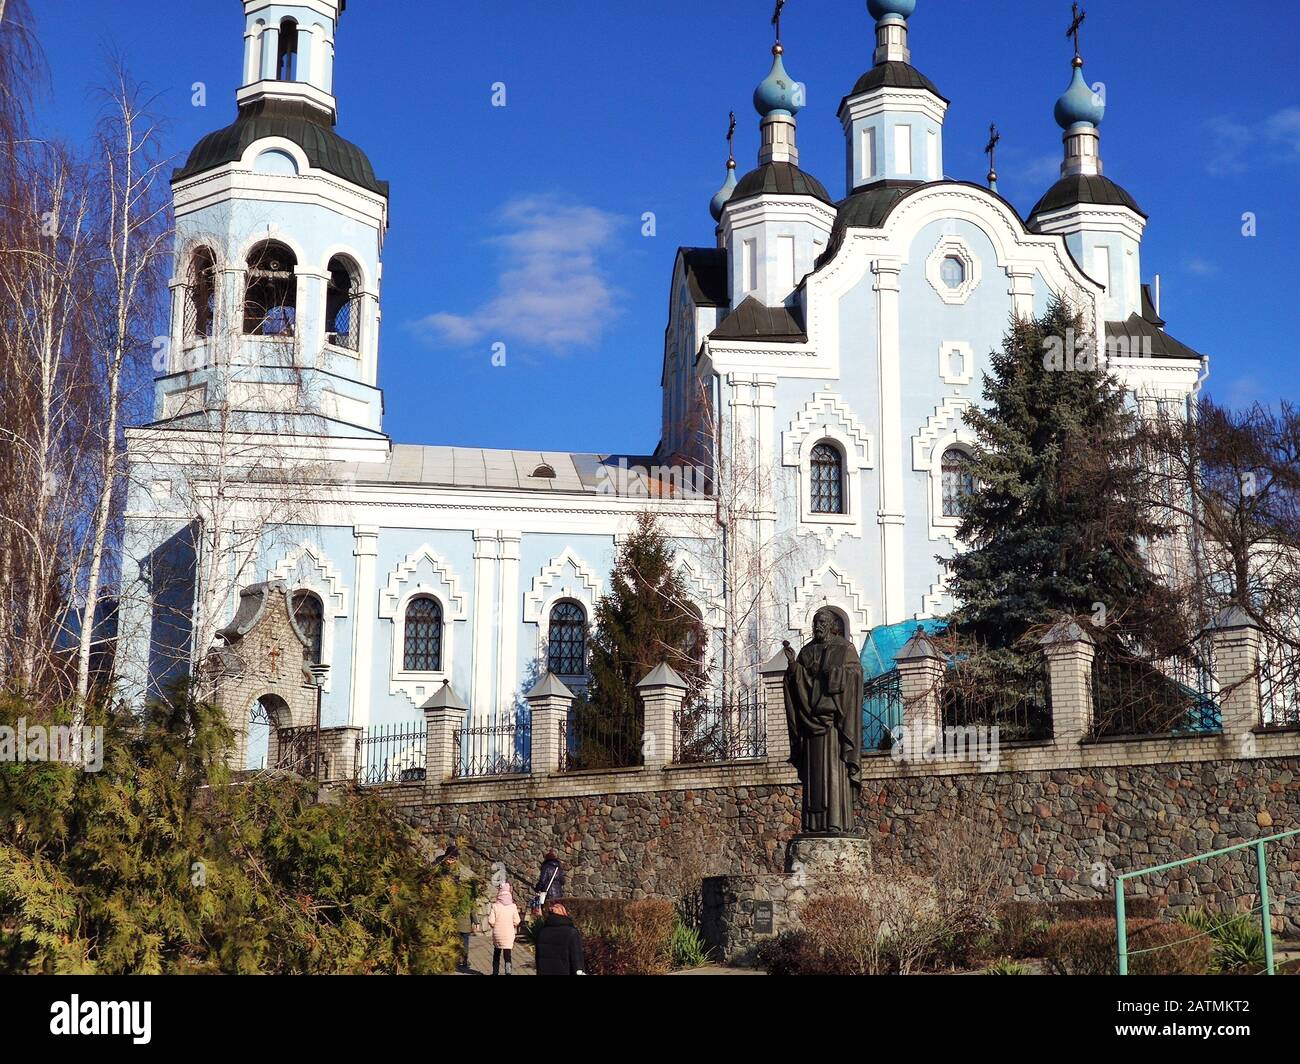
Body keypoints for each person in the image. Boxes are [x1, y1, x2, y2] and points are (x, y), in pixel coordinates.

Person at [440, 844, 487, 971]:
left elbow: (471, 907)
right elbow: (472, 908)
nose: (452, 861)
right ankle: (460, 960)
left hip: (456, 921)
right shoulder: (440, 865)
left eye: (454, 859)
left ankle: (457, 960)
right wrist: (475, 921)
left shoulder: (456, 872)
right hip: (457, 919)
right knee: (462, 942)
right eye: (450, 858)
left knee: (456, 941)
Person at [533, 902, 586, 976]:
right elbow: (576, 959)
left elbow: (538, 958)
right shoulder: (571, 932)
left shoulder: (542, 932)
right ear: (564, 913)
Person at [487, 881, 521, 975]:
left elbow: (491, 921)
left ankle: (495, 972)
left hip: (498, 933)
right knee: (507, 954)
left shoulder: (495, 906)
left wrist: (495, 926)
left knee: (496, 953)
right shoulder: (513, 906)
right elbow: (517, 921)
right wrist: (512, 925)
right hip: (509, 933)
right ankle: (508, 972)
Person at [531, 850, 565, 915]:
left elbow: (542, 881)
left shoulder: (546, 867)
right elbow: (563, 881)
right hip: (559, 895)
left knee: (547, 912)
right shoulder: (559, 869)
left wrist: (537, 889)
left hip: (548, 894)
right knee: (557, 912)